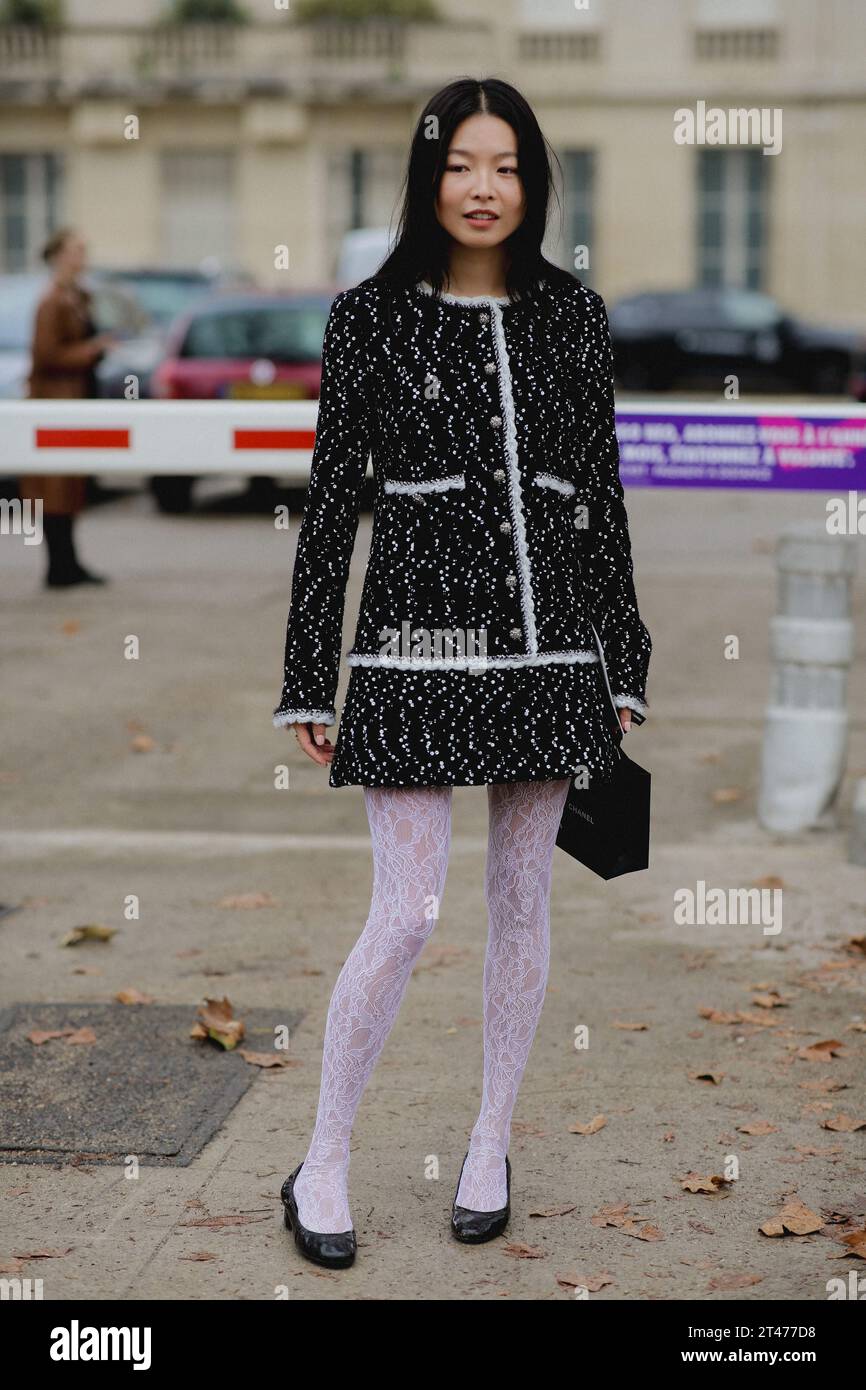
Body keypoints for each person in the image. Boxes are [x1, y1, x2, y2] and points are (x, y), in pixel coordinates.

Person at [273, 77, 652, 1270]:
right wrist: (308, 674)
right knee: (409, 913)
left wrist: (622, 654)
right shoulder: (368, 317)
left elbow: (599, 492)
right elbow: (332, 502)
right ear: (425, 176)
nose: (483, 188)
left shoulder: (571, 316)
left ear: (532, 182)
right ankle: (321, 1158)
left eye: (506, 167)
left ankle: (489, 1140)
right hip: (410, 653)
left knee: (522, 900)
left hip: (551, 658)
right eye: (460, 165)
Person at [19, 227, 115, 588]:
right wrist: (90, 350)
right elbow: (46, 354)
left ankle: (68, 562)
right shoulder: (52, 301)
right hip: (56, 401)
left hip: (74, 398)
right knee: (55, 486)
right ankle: (59, 565)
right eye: (76, 249)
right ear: (59, 254)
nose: (82, 256)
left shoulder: (75, 296)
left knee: (70, 483)